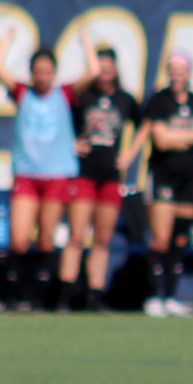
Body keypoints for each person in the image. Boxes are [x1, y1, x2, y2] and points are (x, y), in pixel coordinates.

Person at [0, 29, 97, 310]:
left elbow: (94, 70)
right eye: (38, 71)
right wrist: (8, 39)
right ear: (32, 72)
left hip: (56, 175)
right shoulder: (22, 93)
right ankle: (13, 296)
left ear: (54, 72)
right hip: (26, 175)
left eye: (48, 71)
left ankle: (40, 298)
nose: (43, 76)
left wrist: (85, 41)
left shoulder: (64, 94)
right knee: (20, 237)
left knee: (47, 237)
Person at [65, 45, 146, 311]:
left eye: (108, 67)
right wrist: (71, 143)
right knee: (77, 236)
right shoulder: (83, 96)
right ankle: (65, 295)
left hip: (110, 176)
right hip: (84, 174)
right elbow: (58, 118)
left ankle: (93, 295)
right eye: (99, 67)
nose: (104, 72)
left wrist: (131, 154)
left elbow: (145, 123)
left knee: (102, 240)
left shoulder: (124, 99)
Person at [143, 52, 193, 317]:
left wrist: (177, 135)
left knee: (180, 239)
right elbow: (160, 140)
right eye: (172, 69)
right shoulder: (159, 101)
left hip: (189, 178)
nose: (176, 74)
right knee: (160, 239)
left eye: (180, 70)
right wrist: (190, 135)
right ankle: (153, 297)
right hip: (163, 175)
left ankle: (171, 297)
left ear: (188, 73)